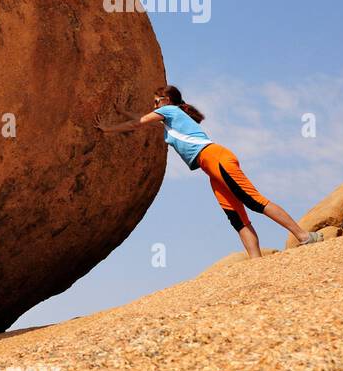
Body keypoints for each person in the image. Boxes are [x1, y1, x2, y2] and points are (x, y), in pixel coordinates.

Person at [95, 84, 323, 258]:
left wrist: (107, 129)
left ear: (167, 101)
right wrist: (122, 110)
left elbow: (139, 123)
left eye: (156, 102)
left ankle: (304, 236)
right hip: (210, 167)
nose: (154, 106)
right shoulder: (169, 119)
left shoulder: (172, 111)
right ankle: (257, 265)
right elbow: (139, 119)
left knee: (254, 201)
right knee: (237, 218)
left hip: (216, 158)